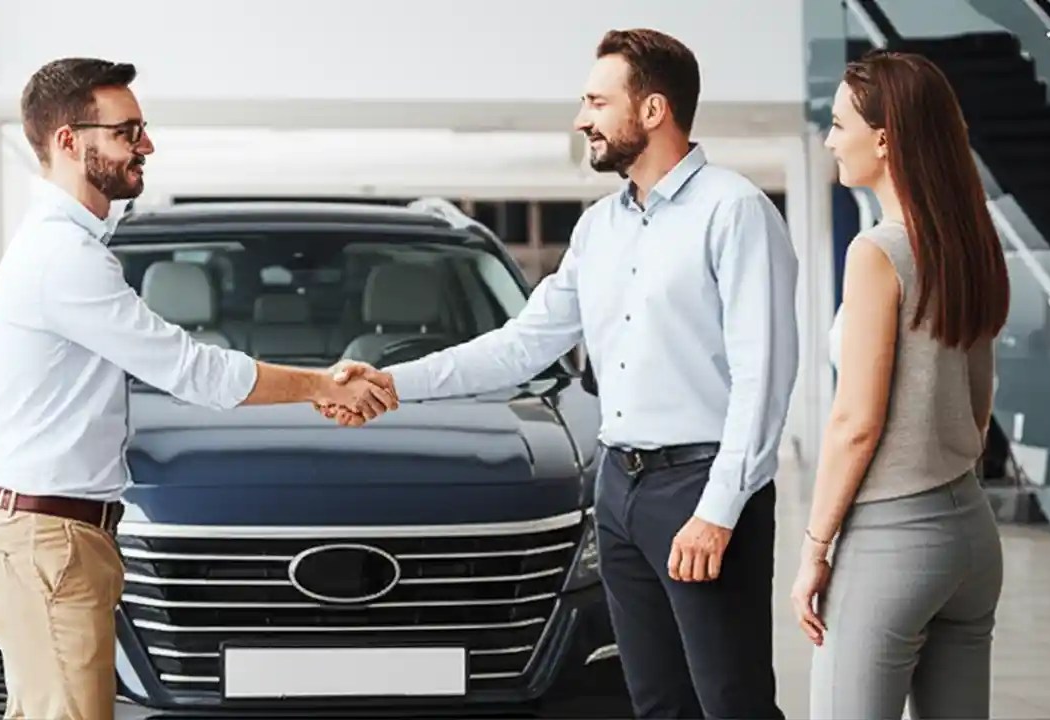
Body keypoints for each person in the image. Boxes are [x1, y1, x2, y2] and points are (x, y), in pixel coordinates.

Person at [326, 28, 798, 719]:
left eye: (597, 102)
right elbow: (522, 346)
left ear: (654, 110)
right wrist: (395, 384)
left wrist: (718, 511)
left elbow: (764, 376)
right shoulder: (599, 227)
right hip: (619, 488)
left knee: (733, 702)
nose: (582, 120)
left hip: (699, 485)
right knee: (656, 703)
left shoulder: (734, 211)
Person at [0, 57, 397, 720]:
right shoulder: (64, 257)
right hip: (47, 543)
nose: (147, 145)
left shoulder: (63, 247)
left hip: (48, 538)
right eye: (127, 131)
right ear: (69, 141)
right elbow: (190, 370)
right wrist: (317, 385)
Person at [790, 50, 1009, 720]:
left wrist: (814, 547)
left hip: (892, 540)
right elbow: (979, 405)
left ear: (883, 139)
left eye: (839, 125)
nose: (830, 140)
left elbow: (856, 422)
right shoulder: (967, 243)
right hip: (970, 534)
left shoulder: (877, 252)